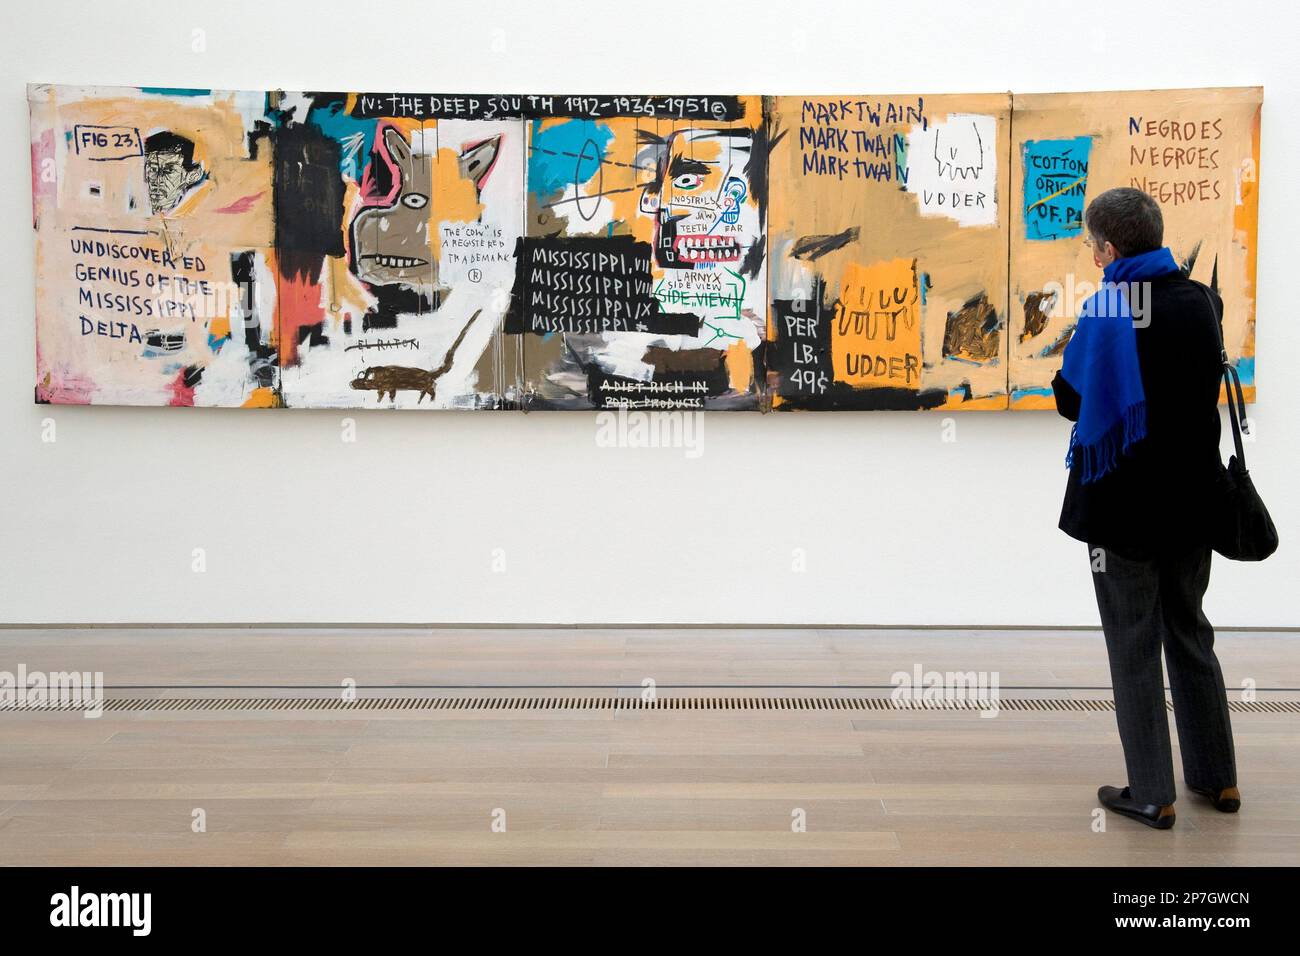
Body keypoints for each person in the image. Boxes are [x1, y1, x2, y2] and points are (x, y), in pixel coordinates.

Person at [1051, 187, 1239, 830]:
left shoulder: (1108, 308)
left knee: (1133, 643)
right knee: (1190, 633)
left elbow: (1072, 402)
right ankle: (1218, 779)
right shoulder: (1202, 300)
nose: (1092, 255)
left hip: (1123, 509)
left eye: (1092, 244)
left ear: (1108, 248)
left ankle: (1152, 793)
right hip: (1193, 502)